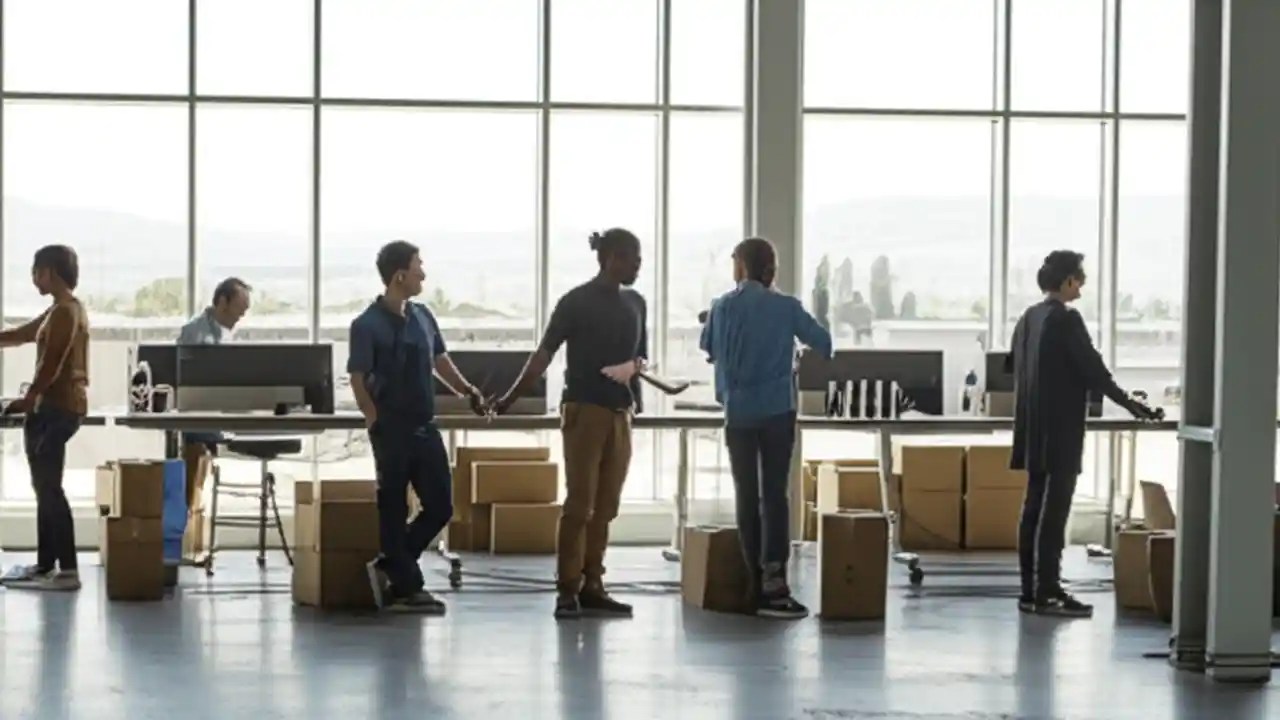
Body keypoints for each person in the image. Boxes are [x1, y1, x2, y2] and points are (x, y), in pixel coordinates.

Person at [493, 228, 646, 620]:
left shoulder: (636, 303)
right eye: (632, 258)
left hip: (619, 414)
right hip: (584, 411)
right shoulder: (575, 302)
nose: (638, 265)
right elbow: (544, 354)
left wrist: (635, 385)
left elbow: (640, 360)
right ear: (610, 258)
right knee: (580, 504)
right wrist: (510, 399)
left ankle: (594, 584)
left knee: (607, 506)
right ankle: (567, 589)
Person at [1008, 250, 1157, 618]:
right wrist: (1134, 407)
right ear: (1068, 281)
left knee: (1033, 510)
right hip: (1060, 430)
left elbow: (1014, 367)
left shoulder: (1028, 318)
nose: (1084, 285)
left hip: (1032, 428)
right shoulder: (1066, 319)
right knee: (1054, 513)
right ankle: (1049, 592)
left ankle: (1031, 591)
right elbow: (1095, 372)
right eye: (1080, 278)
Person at [348, 240, 488, 613]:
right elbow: (358, 379)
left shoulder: (424, 316)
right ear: (399, 276)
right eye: (418, 266)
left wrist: (468, 391)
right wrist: (374, 421)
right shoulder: (366, 325)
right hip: (390, 430)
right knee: (392, 508)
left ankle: (393, 565)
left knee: (441, 506)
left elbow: (440, 362)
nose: (423, 273)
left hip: (424, 427)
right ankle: (408, 588)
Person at [699, 237, 832, 619]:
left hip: (737, 413)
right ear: (771, 269)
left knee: (745, 494)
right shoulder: (787, 307)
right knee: (773, 494)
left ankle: (751, 581)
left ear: (739, 267)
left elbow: (709, 349)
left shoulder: (721, 307)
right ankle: (775, 583)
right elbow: (824, 343)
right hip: (776, 411)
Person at [0, 245, 90, 591]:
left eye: (36, 271)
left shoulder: (67, 312)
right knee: (43, 486)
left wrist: (29, 398)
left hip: (58, 408)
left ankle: (67, 571)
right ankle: (45, 564)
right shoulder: (57, 311)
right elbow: (23, 335)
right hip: (50, 408)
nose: (34, 278)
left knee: (50, 488)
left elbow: (51, 362)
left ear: (51, 271)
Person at [177, 277, 252, 512]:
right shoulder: (197, 333)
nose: (241, 316)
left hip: (216, 412)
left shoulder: (221, 331)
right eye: (239, 308)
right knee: (194, 462)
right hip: (199, 415)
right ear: (222, 302)